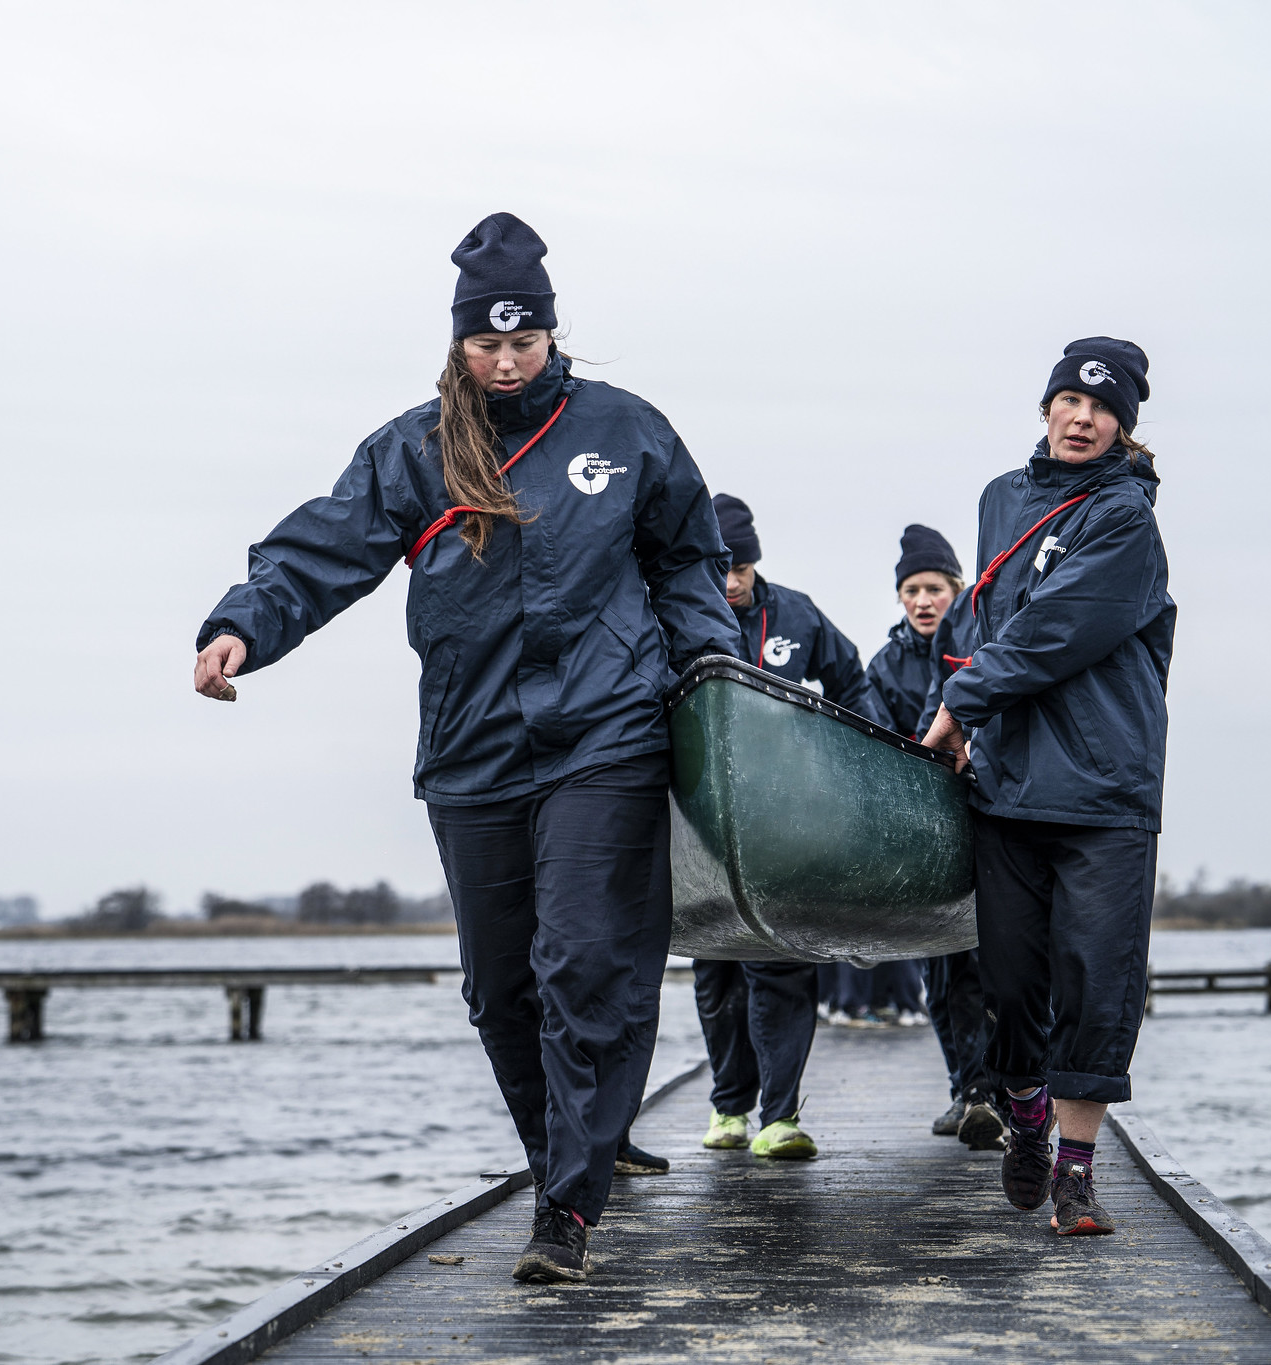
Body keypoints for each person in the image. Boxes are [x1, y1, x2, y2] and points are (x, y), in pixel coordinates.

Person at [191, 213, 739, 1282]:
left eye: (523, 342)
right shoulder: (415, 449)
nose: (505, 362)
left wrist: (710, 667)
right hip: (471, 747)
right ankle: (557, 1164)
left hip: (605, 734)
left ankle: (565, 1210)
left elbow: (685, 560)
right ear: (458, 343)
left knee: (586, 964)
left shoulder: (626, 430)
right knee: (500, 990)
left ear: (551, 333)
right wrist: (241, 626)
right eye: (486, 345)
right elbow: (321, 551)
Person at [920, 338, 1175, 1237]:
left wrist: (961, 703)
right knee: (1011, 980)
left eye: (1103, 409)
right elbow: (982, 623)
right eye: (1070, 399)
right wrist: (951, 711)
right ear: (1047, 406)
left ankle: (1076, 1171)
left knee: (1097, 983)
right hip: (1009, 781)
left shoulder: (1125, 519)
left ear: (1123, 429)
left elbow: (1056, 629)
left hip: (1105, 790)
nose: (1083, 417)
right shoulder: (1001, 498)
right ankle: (1026, 1112)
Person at [694, 495, 887, 1161]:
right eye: (718, 568)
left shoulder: (798, 615)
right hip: (704, 831)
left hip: (785, 822)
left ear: (756, 562)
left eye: (741, 567)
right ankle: (729, 1106)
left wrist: (860, 763)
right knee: (718, 972)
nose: (730, 581)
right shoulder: (678, 611)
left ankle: (779, 1117)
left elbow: (851, 682)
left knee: (781, 960)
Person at [866, 525, 1005, 1151]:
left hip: (990, 820)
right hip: (924, 834)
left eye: (934, 589)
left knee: (997, 964)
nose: (923, 601)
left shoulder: (987, 643)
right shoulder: (884, 667)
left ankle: (1005, 1086)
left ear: (957, 589)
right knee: (942, 972)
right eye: (911, 591)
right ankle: (967, 1090)